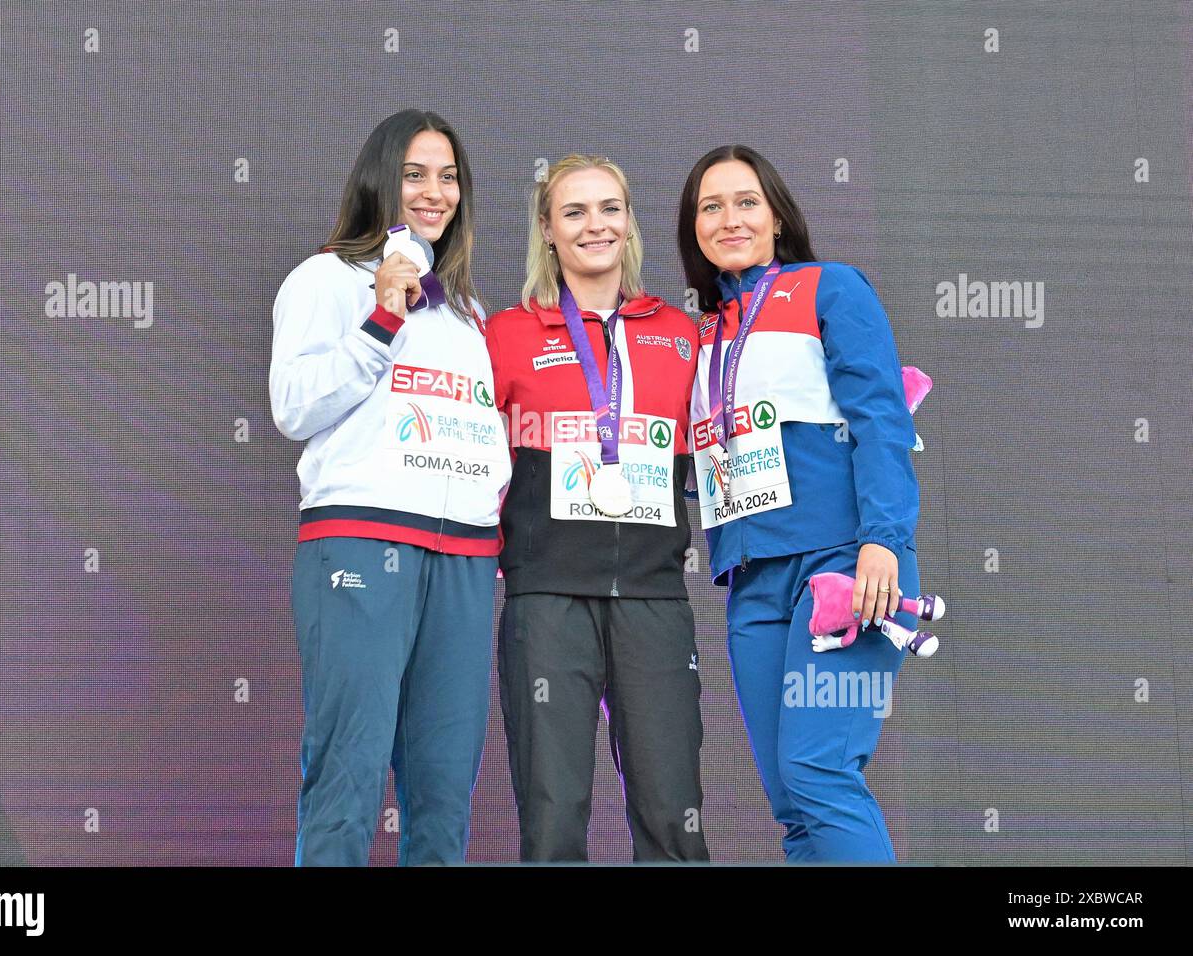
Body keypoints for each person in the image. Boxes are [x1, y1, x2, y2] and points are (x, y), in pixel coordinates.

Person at [269, 109, 510, 866]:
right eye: (415, 174)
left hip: (465, 559)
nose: (435, 192)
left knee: (443, 788)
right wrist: (380, 318)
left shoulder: (468, 311)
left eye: (448, 177)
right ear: (381, 178)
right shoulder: (324, 278)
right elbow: (292, 406)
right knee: (350, 770)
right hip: (362, 541)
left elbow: (481, 430)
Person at [677, 145, 921, 862]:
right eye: (711, 207)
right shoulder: (701, 335)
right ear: (694, 228)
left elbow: (881, 419)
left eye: (746, 202)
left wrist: (882, 541)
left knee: (819, 773)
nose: (730, 219)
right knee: (793, 806)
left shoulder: (829, 288)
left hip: (842, 565)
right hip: (753, 583)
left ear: (777, 216)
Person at [486, 154, 709, 862]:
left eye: (610, 208)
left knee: (674, 818)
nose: (595, 225)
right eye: (574, 211)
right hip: (547, 597)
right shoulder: (506, 334)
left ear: (630, 222)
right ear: (547, 229)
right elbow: (472, 455)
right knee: (552, 823)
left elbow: (724, 438)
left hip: (653, 597)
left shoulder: (681, 333)